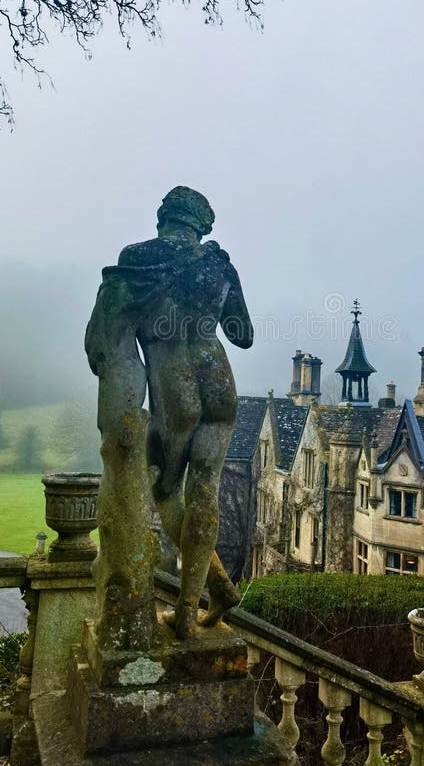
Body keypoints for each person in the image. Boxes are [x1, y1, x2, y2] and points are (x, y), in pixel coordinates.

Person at [113, 186, 253, 639]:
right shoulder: (217, 265)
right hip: (220, 383)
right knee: (206, 492)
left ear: (164, 218)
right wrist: (221, 280)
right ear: (201, 225)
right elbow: (243, 334)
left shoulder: (137, 259)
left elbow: (112, 335)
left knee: (164, 489)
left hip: (175, 388)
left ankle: (190, 610)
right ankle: (201, 600)